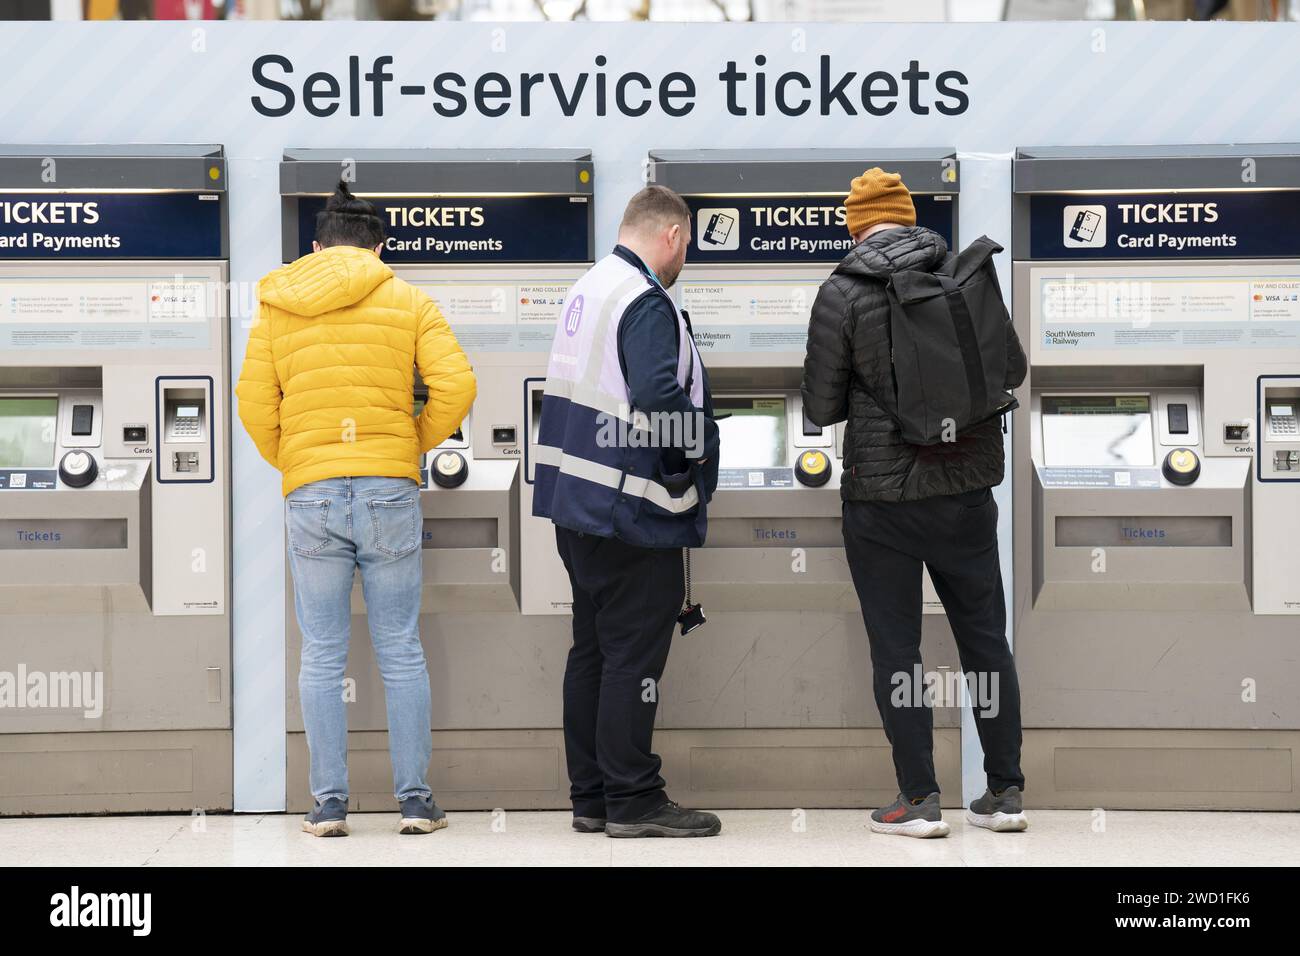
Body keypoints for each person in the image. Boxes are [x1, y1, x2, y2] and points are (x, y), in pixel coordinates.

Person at [237, 181, 476, 837]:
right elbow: (458, 385)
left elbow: (253, 404)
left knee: (321, 651)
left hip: (311, 489)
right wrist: (408, 445)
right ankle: (416, 803)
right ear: (380, 246)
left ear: (316, 247)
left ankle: (328, 805)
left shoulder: (277, 304)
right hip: (387, 488)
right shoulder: (408, 298)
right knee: (399, 646)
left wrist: (298, 460)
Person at [801, 168, 1029, 838]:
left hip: (884, 501)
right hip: (966, 490)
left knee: (898, 648)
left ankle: (919, 801)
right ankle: (1005, 793)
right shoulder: (960, 277)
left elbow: (819, 405)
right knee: (985, 638)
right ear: (908, 216)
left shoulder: (841, 292)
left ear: (856, 224)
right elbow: (1007, 371)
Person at [533, 185, 722, 838]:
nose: (686, 256)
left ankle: (593, 796)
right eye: (689, 243)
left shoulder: (590, 288)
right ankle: (634, 799)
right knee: (631, 661)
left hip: (576, 504)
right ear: (672, 234)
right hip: (629, 510)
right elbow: (656, 396)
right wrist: (698, 454)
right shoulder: (645, 301)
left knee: (593, 652)